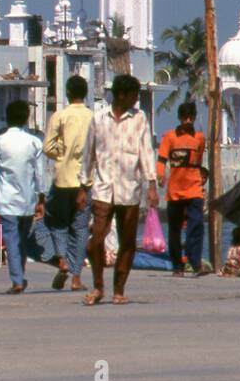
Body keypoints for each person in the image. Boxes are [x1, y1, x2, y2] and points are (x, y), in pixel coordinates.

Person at [79, 74, 159, 306]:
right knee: (96, 240)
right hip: (103, 188)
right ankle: (98, 286)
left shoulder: (139, 119)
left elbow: (146, 151)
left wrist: (151, 184)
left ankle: (119, 288)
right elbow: (88, 154)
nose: (136, 100)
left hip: (130, 189)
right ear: (121, 95)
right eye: (134, 95)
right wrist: (83, 187)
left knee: (127, 241)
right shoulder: (98, 119)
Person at [0, 101, 45, 293]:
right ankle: (19, 275)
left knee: (11, 239)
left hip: (6, 199)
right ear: (26, 118)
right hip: (27, 199)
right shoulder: (34, 142)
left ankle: (17, 279)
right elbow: (40, 174)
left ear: (7, 118)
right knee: (22, 239)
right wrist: (42, 198)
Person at [43, 75, 94, 291]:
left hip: (63, 178)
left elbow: (47, 147)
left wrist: (61, 154)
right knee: (81, 227)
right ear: (85, 93)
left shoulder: (60, 116)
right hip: (85, 181)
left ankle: (62, 259)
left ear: (67, 92)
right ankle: (76, 277)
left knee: (57, 222)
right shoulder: (95, 117)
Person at [158, 101, 208, 276]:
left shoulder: (200, 138)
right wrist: (160, 175)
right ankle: (177, 265)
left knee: (196, 225)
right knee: (174, 229)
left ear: (194, 118)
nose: (188, 121)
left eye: (190, 118)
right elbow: (162, 159)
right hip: (175, 189)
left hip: (194, 187)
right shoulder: (169, 137)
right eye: (185, 118)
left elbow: (199, 159)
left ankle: (195, 263)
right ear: (179, 118)